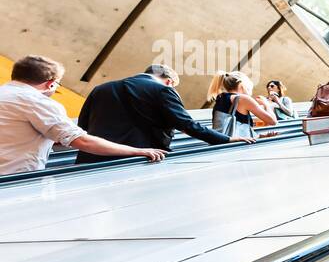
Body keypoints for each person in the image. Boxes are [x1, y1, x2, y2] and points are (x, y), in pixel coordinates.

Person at [0, 55, 168, 174]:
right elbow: (83, 142)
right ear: (51, 84)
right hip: (11, 181)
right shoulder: (39, 102)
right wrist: (138, 151)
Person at [76, 63, 245, 164]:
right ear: (169, 81)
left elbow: (82, 127)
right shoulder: (163, 90)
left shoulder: (100, 89)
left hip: (90, 160)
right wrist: (226, 139)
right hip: (138, 160)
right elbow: (186, 124)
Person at [210, 73, 276, 139]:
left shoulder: (221, 98)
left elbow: (233, 128)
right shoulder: (243, 99)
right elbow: (272, 121)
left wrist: (260, 136)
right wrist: (266, 104)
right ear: (242, 84)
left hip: (220, 142)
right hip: (235, 146)